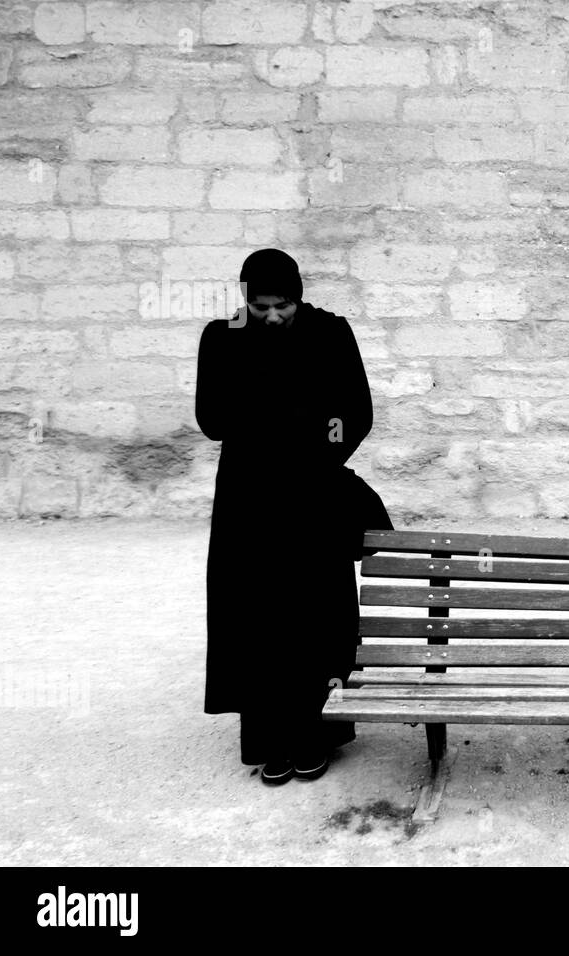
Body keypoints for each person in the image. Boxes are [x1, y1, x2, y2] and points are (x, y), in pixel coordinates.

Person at [195, 248, 373, 785]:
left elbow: (353, 413)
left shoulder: (331, 333)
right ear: (246, 298)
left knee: (313, 612)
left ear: (299, 295)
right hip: (248, 498)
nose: (273, 316)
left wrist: (321, 453)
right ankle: (269, 739)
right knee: (256, 614)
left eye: (284, 305)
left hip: (313, 492)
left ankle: (317, 734)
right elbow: (212, 420)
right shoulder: (221, 338)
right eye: (262, 306)